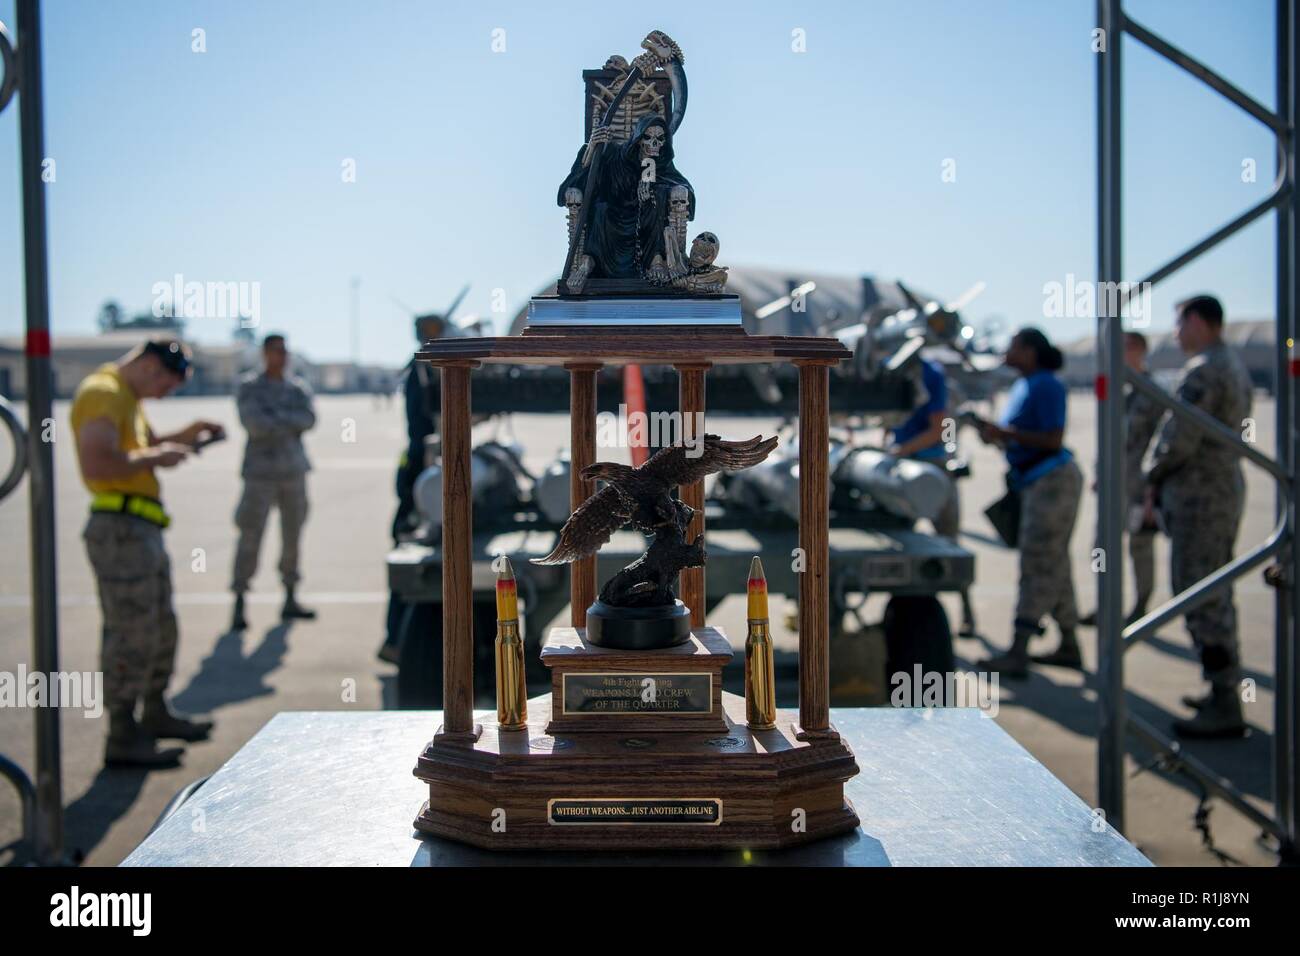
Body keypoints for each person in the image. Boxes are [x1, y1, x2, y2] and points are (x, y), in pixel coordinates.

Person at [70, 339, 220, 766]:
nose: (165, 394)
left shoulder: (125, 397)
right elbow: (99, 463)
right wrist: (159, 456)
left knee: (158, 627)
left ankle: (152, 714)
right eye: (167, 385)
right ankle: (122, 734)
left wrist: (186, 436)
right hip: (121, 530)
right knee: (130, 633)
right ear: (150, 365)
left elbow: (140, 449)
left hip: (139, 528)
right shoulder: (104, 392)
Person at [1145, 295, 1253, 739]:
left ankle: (1226, 701)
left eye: (1180, 322)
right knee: (1214, 592)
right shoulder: (1230, 363)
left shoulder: (1204, 369)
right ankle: (1221, 689)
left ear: (1200, 321)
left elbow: (1179, 437)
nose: (1176, 333)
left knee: (1200, 593)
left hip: (1200, 498)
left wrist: (1150, 473)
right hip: (1217, 491)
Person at [976, 327, 1083, 678]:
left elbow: (1052, 439)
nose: (1007, 352)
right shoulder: (1023, 386)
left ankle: (1019, 650)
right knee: (1054, 561)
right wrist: (995, 435)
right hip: (1034, 481)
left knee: (1037, 561)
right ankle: (1069, 644)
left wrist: (1004, 433)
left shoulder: (1047, 384)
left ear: (1030, 351)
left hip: (1051, 481)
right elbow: (1021, 439)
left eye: (1014, 347)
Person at [230, 333, 317, 630]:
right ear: (265, 354)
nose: (282, 356)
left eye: (284, 351)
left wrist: (275, 420)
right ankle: (240, 599)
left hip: (293, 472)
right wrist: (287, 421)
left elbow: (309, 419)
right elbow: (254, 424)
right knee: (250, 535)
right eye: (276, 351)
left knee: (292, 537)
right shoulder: (249, 387)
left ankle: (290, 597)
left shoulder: (297, 388)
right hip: (260, 474)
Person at [1078, 331, 1162, 631]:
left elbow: (1159, 443)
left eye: (1123, 348)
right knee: (1101, 546)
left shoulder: (1154, 394)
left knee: (1140, 547)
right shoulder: (1120, 393)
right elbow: (1109, 438)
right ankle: (1105, 603)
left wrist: (1154, 487)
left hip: (1139, 486)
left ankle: (1141, 606)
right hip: (1113, 485)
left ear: (1139, 350)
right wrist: (1100, 472)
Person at [886, 355, 976, 635]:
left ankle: (966, 612)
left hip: (932, 467)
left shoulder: (930, 373)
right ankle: (907, 618)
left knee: (949, 544)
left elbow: (939, 428)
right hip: (905, 464)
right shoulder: (891, 369)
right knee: (898, 544)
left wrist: (903, 450)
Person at [378, 313, 444, 664]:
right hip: (420, 473)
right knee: (410, 548)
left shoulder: (422, 367)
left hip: (420, 470)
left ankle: (395, 639)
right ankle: (395, 639)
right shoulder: (425, 370)